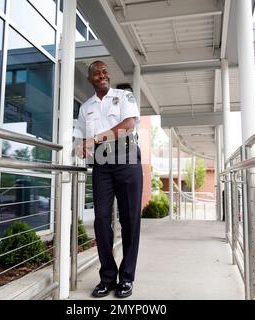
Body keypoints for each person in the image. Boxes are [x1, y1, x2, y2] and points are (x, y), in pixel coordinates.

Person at [73, 61, 143, 298]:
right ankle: (107, 277)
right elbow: (79, 137)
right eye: (96, 73)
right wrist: (79, 147)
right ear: (90, 79)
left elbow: (129, 124)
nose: (102, 75)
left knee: (130, 219)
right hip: (102, 164)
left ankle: (126, 278)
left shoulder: (124, 96)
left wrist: (94, 140)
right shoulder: (86, 108)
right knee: (101, 219)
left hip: (127, 158)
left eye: (105, 72)